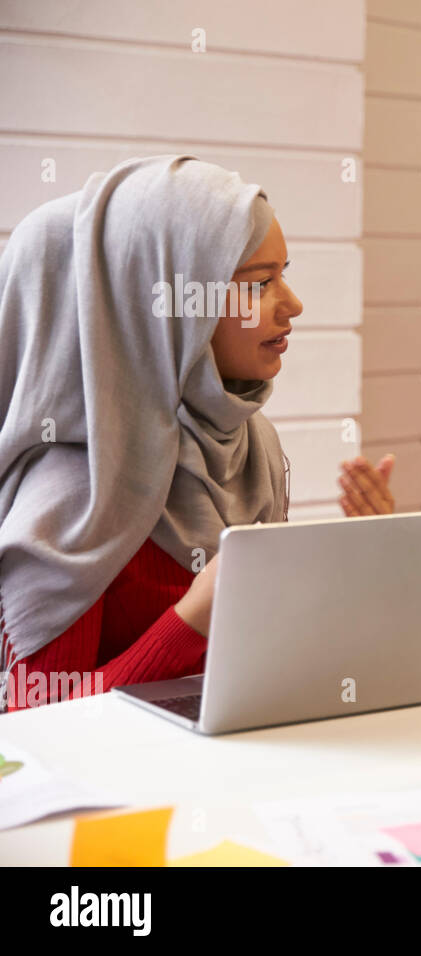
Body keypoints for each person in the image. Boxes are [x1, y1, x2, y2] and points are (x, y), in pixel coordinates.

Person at [0, 156, 394, 712]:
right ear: (159, 304)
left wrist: (360, 563)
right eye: (260, 284)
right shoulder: (76, 490)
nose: (293, 304)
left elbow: (268, 653)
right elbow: (40, 718)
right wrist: (194, 618)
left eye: (284, 273)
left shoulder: (248, 444)